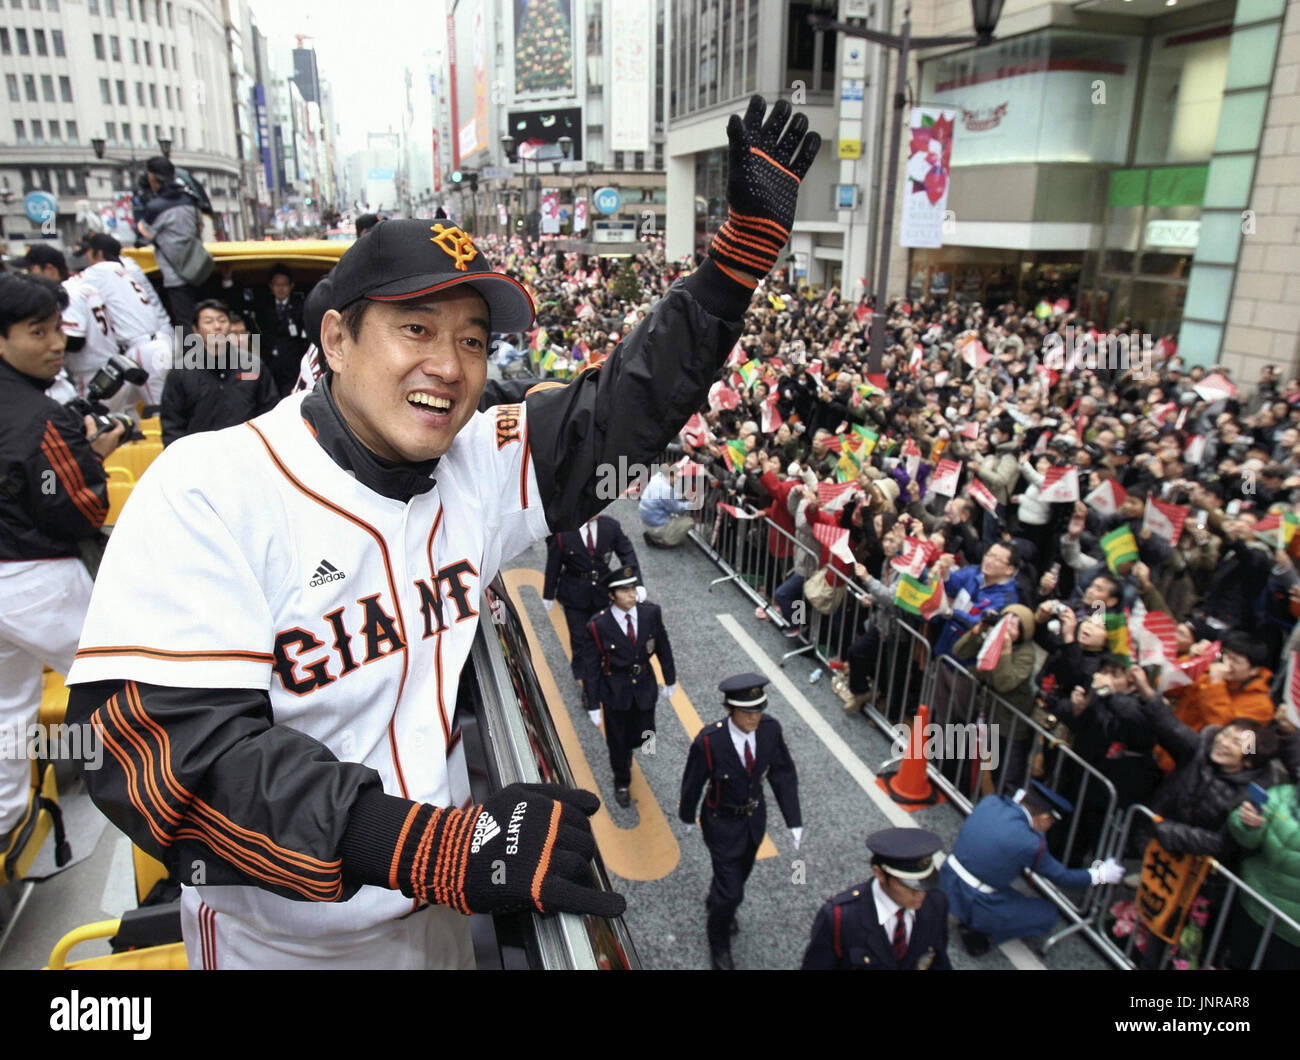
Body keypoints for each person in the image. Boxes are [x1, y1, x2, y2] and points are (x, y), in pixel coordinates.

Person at [65, 94, 821, 968]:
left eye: (471, 339)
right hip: (276, 945)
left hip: (440, 916)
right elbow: (163, 755)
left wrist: (732, 269)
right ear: (338, 338)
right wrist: (428, 846)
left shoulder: (476, 457)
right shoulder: (207, 488)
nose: (448, 365)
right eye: (415, 328)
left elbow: (616, 413)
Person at [0, 273, 124, 866]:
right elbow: (79, 508)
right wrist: (93, 457)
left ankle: (6, 826)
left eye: (56, 327)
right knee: (132, 688)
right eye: (38, 331)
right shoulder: (39, 417)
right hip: (35, 580)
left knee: (8, 706)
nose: (56, 342)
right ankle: (173, 811)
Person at [679, 672, 803, 970]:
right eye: (748, 711)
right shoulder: (710, 741)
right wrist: (687, 815)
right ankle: (718, 942)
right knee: (731, 891)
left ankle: (719, 898)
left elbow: (782, 773)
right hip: (720, 822)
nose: (755, 716)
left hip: (753, 820)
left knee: (740, 873)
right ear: (730, 709)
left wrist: (793, 820)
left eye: (759, 708)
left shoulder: (770, 731)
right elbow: (693, 781)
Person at [940, 781, 1123, 955]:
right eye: (1050, 824)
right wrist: (1101, 874)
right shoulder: (1030, 843)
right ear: (1044, 818)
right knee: (1047, 915)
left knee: (1010, 893)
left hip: (947, 877)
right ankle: (981, 933)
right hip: (975, 899)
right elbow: (1063, 877)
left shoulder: (991, 801)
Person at [585, 567, 676, 808]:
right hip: (615, 689)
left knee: (646, 731)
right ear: (612, 595)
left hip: (645, 684)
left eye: (633, 588)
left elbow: (663, 646)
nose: (631, 594)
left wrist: (670, 679)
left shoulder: (650, 613)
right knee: (617, 741)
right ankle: (622, 780)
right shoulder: (599, 625)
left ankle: (635, 749)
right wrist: (593, 704)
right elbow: (592, 667)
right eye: (624, 590)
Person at [801, 828, 950, 970]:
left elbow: (938, 959)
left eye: (925, 884)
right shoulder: (840, 918)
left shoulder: (936, 903)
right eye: (909, 886)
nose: (920, 894)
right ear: (879, 874)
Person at [542, 512, 641, 710]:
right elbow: (553, 563)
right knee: (580, 640)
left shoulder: (610, 526)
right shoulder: (564, 530)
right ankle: (588, 688)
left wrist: (638, 583)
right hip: (574, 593)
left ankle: (602, 675)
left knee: (604, 638)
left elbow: (627, 553)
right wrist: (548, 593)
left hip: (603, 593)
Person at [159, 300, 280, 447]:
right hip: (200, 456)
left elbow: (270, 411)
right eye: (208, 321)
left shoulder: (252, 365)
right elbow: (172, 425)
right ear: (196, 330)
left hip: (247, 452)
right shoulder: (180, 372)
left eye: (222, 320)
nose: (217, 326)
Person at [80, 233, 173, 410]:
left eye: (88, 252)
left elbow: (69, 287)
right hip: (154, 342)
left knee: (158, 408)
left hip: (142, 347)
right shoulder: (127, 267)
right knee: (127, 404)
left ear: (98, 253)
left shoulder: (101, 270)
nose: (86, 257)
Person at [14, 244, 116, 399]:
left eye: (31, 269)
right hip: (109, 368)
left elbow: (76, 342)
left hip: (90, 375)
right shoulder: (82, 286)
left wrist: (34, 338)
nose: (29, 275)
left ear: (49, 269)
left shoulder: (66, 293)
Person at [1226, 785, 1300, 969]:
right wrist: (1248, 823)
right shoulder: (1284, 795)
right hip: (1251, 904)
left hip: (1291, 934)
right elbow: (1246, 836)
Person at [135, 156, 207, 329]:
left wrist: (139, 223)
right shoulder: (191, 199)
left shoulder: (156, 207)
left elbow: (142, 239)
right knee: (205, 321)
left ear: (152, 178)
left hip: (176, 276)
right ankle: (212, 355)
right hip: (199, 268)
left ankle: (194, 357)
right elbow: (199, 228)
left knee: (186, 324)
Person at [251, 265, 311, 396]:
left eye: (284, 284)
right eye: (277, 285)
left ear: (291, 286)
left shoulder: (301, 306)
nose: (281, 288)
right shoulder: (262, 306)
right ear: (271, 286)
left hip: (293, 365)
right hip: (269, 364)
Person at [639, 463, 695, 548]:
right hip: (657, 524)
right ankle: (664, 541)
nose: (677, 480)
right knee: (689, 521)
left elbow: (664, 499)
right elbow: (678, 509)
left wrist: (681, 496)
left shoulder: (656, 478)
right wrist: (692, 503)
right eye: (676, 477)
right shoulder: (666, 489)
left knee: (673, 516)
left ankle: (654, 535)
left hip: (646, 521)